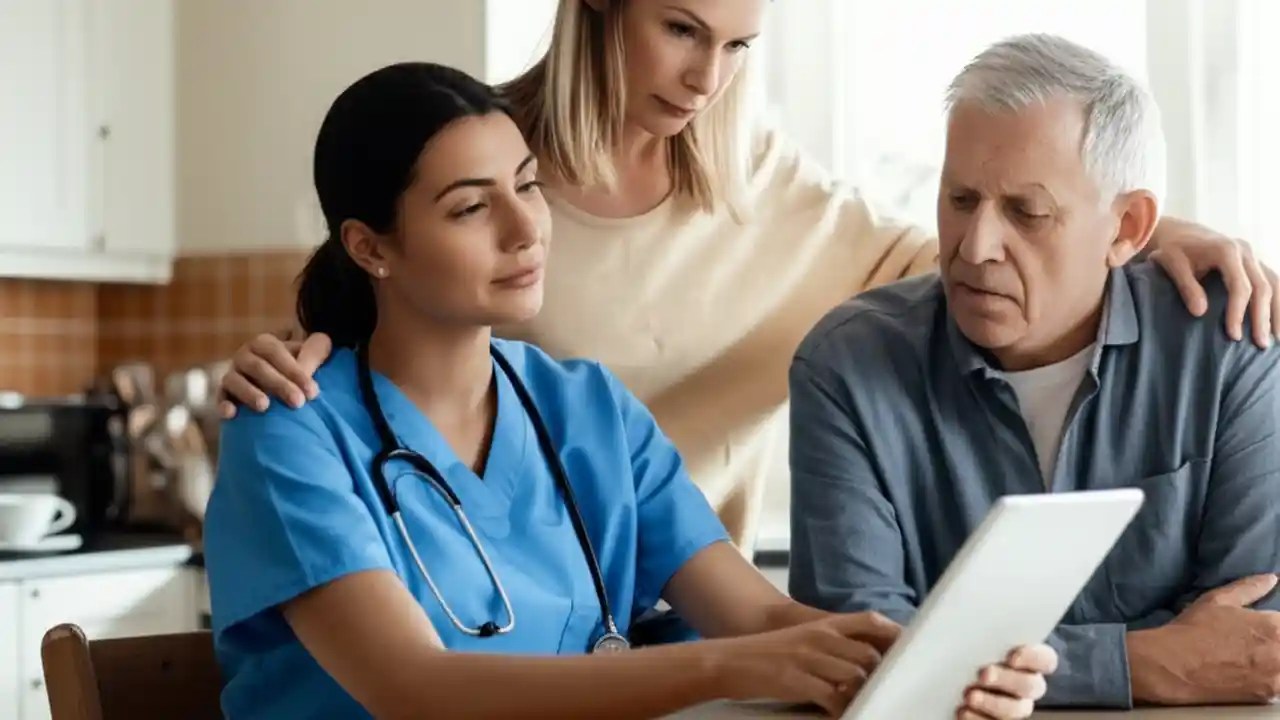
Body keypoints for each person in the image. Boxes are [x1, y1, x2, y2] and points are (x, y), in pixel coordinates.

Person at [214, 0, 1280, 565]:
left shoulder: (762, 184)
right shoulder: (476, 156)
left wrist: (1137, 231)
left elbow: (977, 262)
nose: (704, 78)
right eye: (679, 28)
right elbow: (356, 344)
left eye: (737, 43)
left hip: (696, 624)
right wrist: (285, 356)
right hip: (501, 628)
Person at [203, 61, 1057, 720]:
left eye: (528, 185)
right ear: (370, 247)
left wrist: (936, 661)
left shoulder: (588, 411)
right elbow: (417, 689)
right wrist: (728, 670)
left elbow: (756, 621)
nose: (524, 227)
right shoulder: (292, 430)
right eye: (470, 208)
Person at [787, 34, 1280, 710]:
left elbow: (1253, 643)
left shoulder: (1229, 346)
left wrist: (962, 658)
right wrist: (1137, 665)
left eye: (1027, 212)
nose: (976, 247)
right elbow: (850, 652)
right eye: (960, 200)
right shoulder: (848, 366)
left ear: (1128, 227)